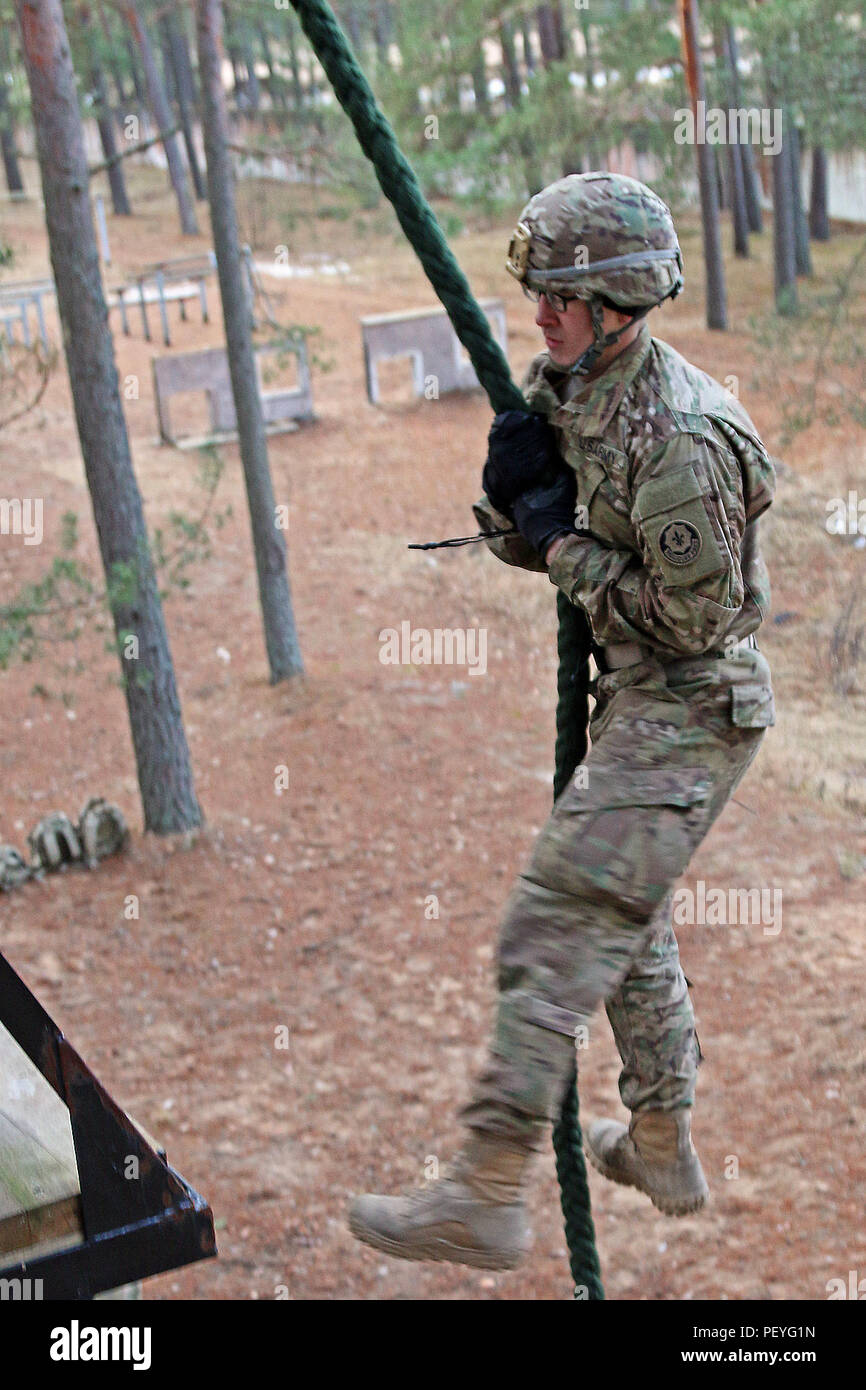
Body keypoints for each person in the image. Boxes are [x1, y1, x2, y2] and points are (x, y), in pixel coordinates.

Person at [348, 172, 776, 1271]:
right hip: (638, 695)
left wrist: (557, 546)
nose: (537, 313)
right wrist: (510, 508)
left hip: (690, 703)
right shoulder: (576, 388)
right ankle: (662, 1140)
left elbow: (695, 620)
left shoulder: (679, 435)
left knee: (560, 918)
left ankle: (486, 1189)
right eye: (536, 291)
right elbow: (531, 529)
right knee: (622, 927)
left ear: (616, 303)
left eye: (558, 294)